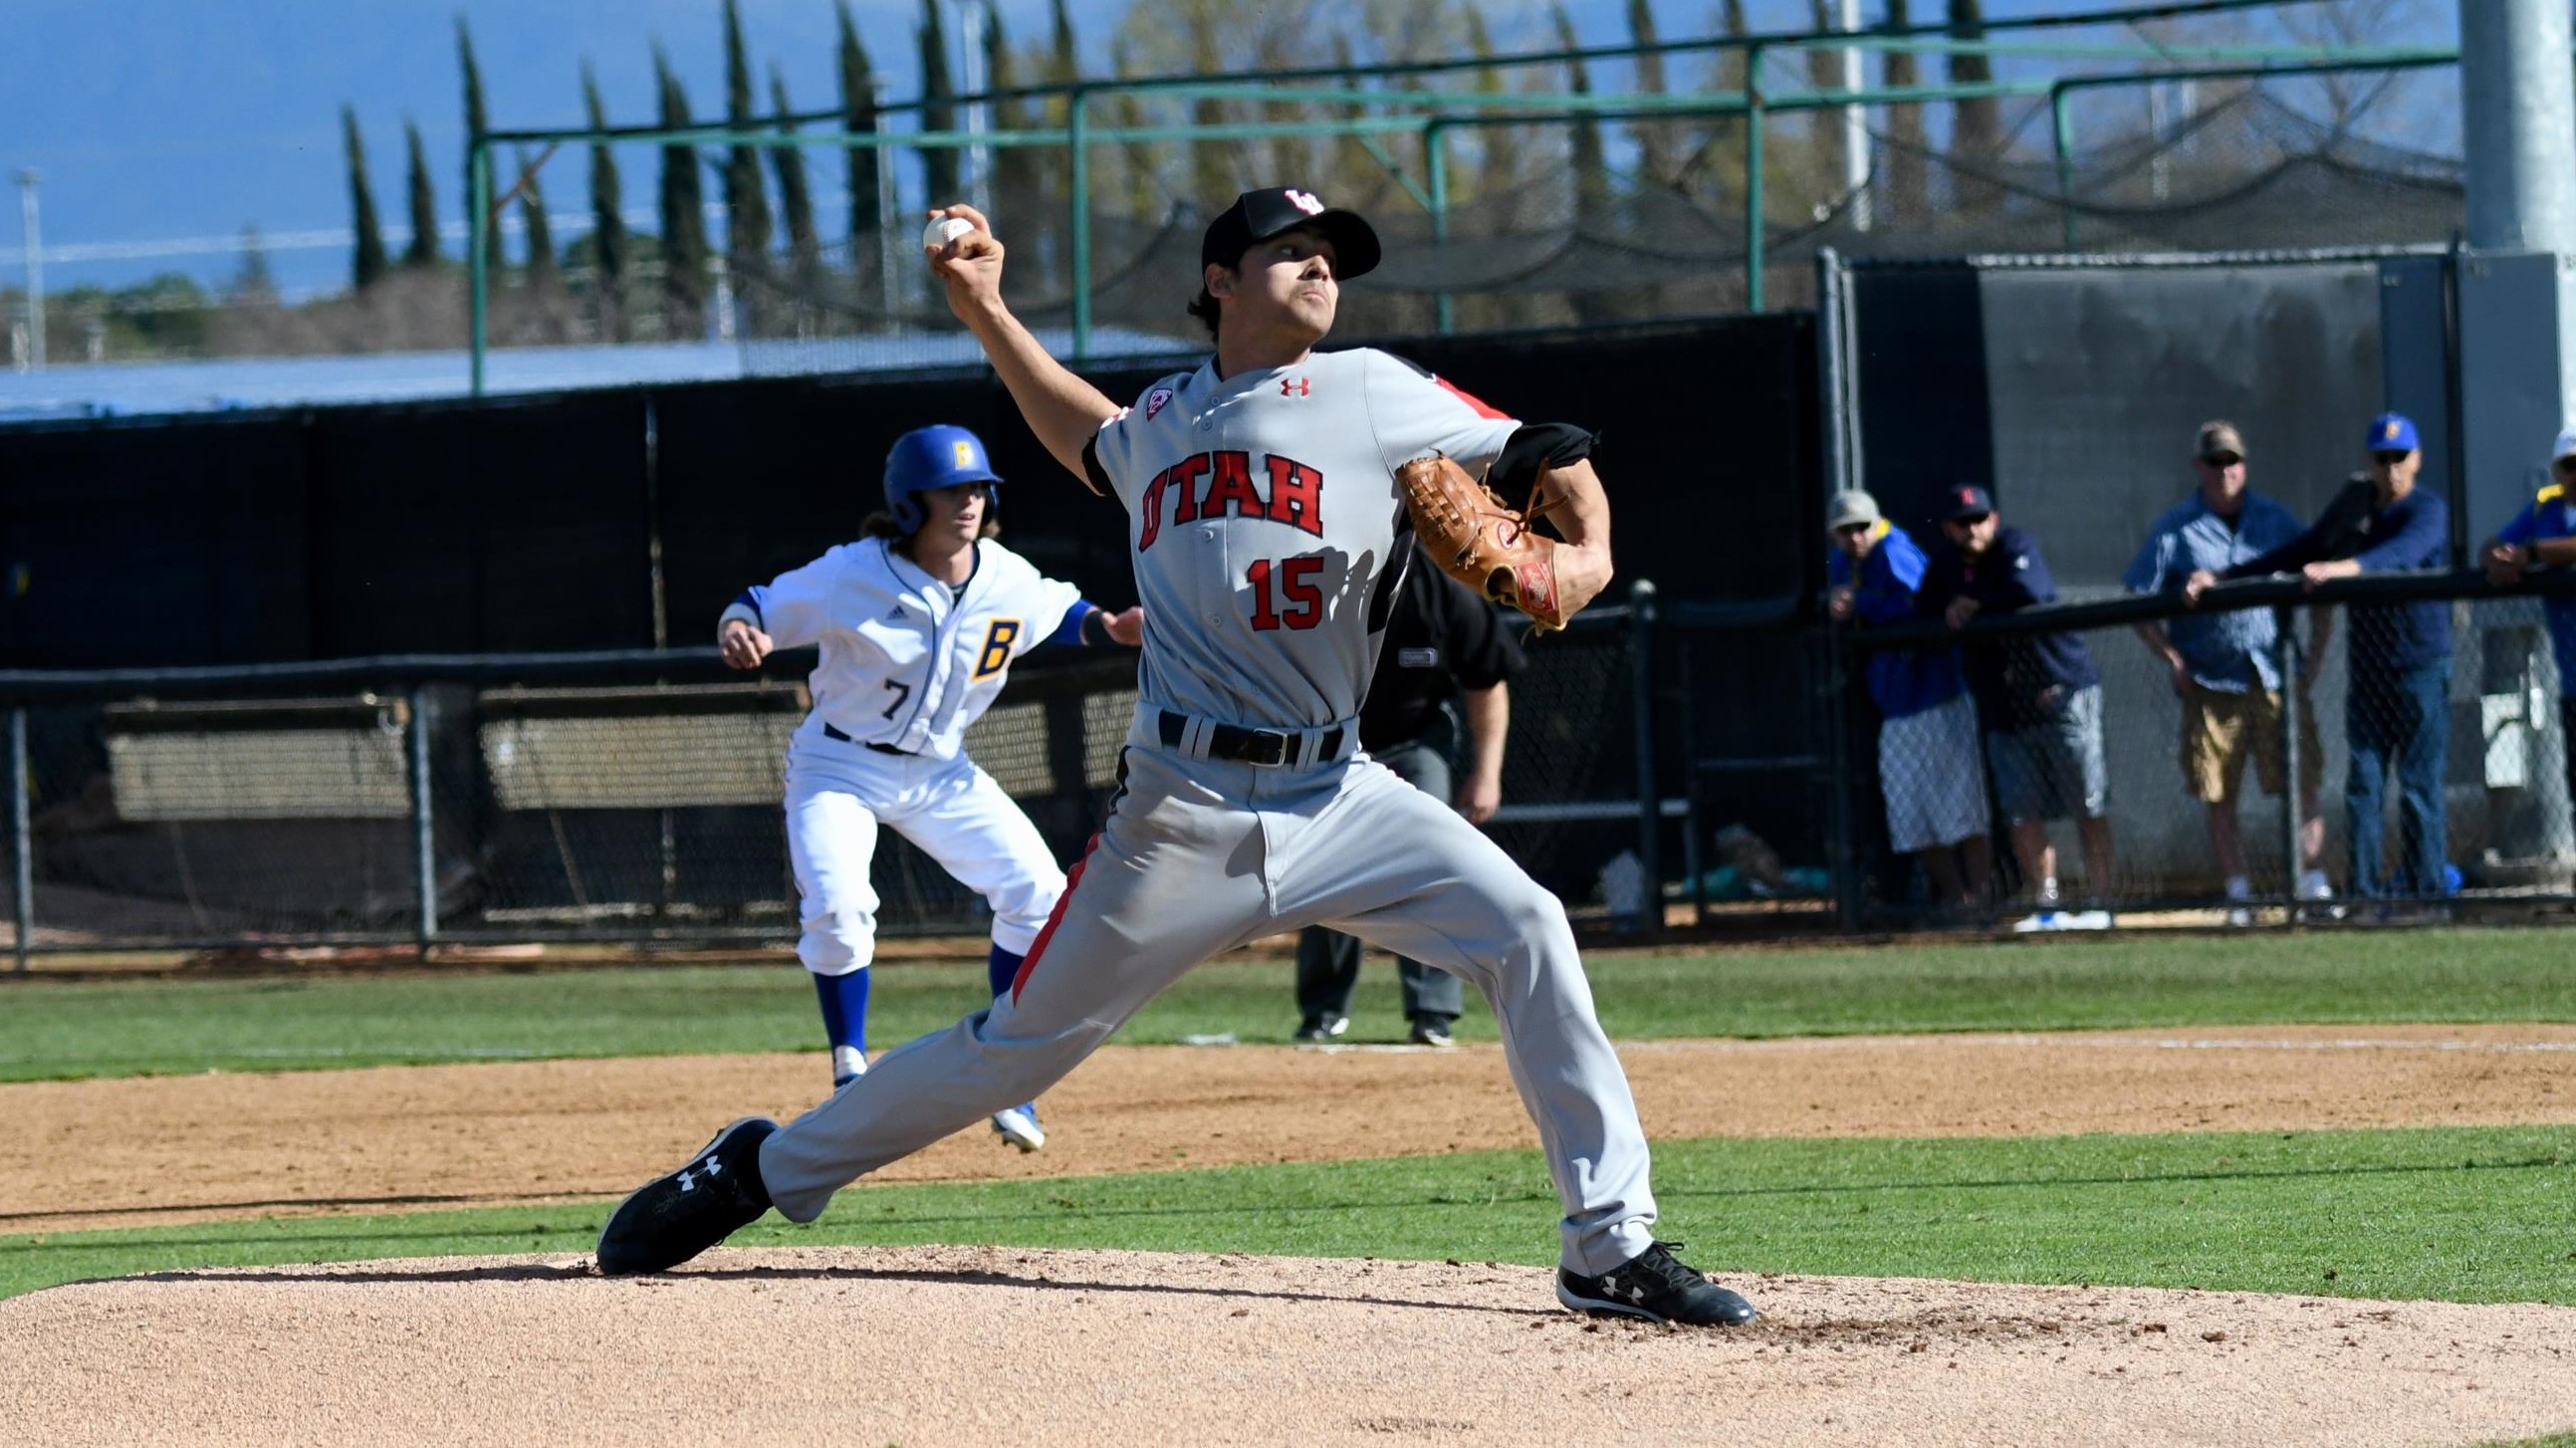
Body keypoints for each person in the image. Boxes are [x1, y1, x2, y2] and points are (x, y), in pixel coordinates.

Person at [595, 186, 1758, 1327]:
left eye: (1330, 255)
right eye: (1289, 251)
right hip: (1181, 804)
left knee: (1527, 927)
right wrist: (983, 311)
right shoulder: (1161, 419)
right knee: (1014, 1052)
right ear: (1219, 281)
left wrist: (1589, 552)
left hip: (1341, 789)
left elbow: (1548, 450)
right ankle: (763, 1168)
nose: (1319, 270)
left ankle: (1609, 1245)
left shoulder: (1370, 389)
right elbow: (1080, 434)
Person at [715, 424, 1142, 1153]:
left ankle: (1008, 1073)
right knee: (840, 907)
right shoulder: (854, 573)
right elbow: (758, 602)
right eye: (952, 490)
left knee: (1038, 896)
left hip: (942, 770)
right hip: (839, 766)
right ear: (909, 503)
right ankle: (851, 1066)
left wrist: (1112, 627)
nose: (969, 502)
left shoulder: (1004, 576)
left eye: (978, 488)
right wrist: (737, 628)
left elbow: (1063, 614)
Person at [2190, 413, 2452, 902]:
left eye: (2400, 458)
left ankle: (2427, 896)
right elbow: (2303, 548)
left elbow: (2402, 554)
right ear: (2369, 462)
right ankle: (2365, 896)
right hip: (2371, 668)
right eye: (2382, 458)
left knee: (2418, 786)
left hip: (2421, 664)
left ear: (2417, 459)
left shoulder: (2428, 508)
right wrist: (2225, 578)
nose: (2391, 468)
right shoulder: (2357, 504)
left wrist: (2343, 568)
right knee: (2364, 786)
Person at [1293, 566, 1522, 1047]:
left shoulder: (1442, 590)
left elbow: (1487, 682)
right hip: (1333, 746)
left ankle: (1432, 1011)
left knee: (1431, 864)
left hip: (1415, 741)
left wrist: (1487, 773)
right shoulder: (1326, 578)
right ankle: (1323, 1012)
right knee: (1323, 870)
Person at [2125, 421, 2332, 924]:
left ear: (2245, 465)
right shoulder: (2175, 529)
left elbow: (2321, 580)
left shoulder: (2275, 520)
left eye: (2232, 461)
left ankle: (2313, 887)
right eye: (2214, 462)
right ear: (2198, 467)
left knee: (2300, 781)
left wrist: (2314, 660)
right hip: (2211, 682)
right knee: (2220, 793)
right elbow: (2137, 598)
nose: (2224, 472)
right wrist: (2172, 658)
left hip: (2274, 675)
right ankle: (2239, 895)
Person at [1918, 485, 2116, 930]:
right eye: (1961, 522)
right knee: (2021, 811)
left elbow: (2029, 589)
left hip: (2060, 690)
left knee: (2087, 802)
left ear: (1994, 519)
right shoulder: (1947, 565)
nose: (1971, 529)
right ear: (1948, 528)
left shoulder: (2015, 545)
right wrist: (1950, 603)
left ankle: (2104, 904)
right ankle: (2049, 906)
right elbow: (1922, 605)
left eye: (1979, 519)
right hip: (2004, 707)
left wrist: (1976, 605)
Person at [1824, 488, 1993, 915]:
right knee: (1912, 819)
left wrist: (1859, 603)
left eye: (1862, 528)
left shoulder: (1895, 550)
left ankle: (1982, 899)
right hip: (1895, 708)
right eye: (1845, 531)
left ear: (1875, 524)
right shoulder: (1843, 562)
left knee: (1963, 810)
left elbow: (1918, 604)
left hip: (1938, 697)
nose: (1856, 537)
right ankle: (1958, 900)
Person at [2480, 425, 2576, 838]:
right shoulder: (2545, 509)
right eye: (2570, 466)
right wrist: (2498, 559)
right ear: (2556, 470)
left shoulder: (2545, 533)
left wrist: (2533, 553)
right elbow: (2497, 544)